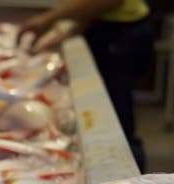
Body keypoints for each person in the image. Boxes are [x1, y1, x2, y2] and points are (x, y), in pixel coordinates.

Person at [22, 0, 154, 171]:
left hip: (121, 31)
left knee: (114, 118)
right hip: (107, 27)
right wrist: (72, 30)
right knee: (111, 113)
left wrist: (47, 19)